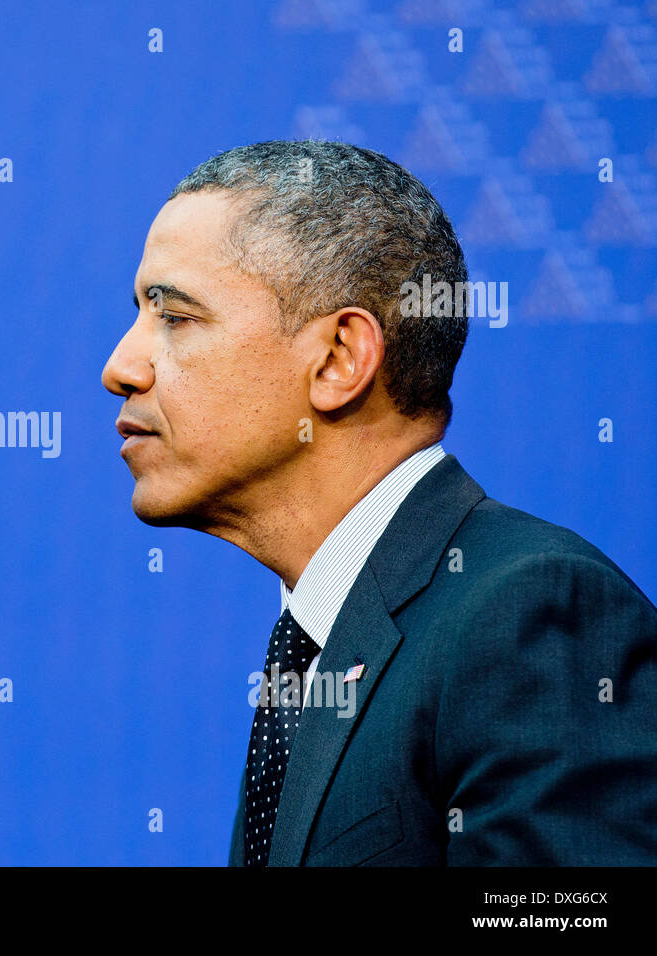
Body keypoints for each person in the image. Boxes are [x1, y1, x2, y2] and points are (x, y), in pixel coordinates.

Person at [102, 140, 657, 866]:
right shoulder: (312, 647)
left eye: (174, 317)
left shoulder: (531, 612)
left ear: (338, 361)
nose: (121, 367)